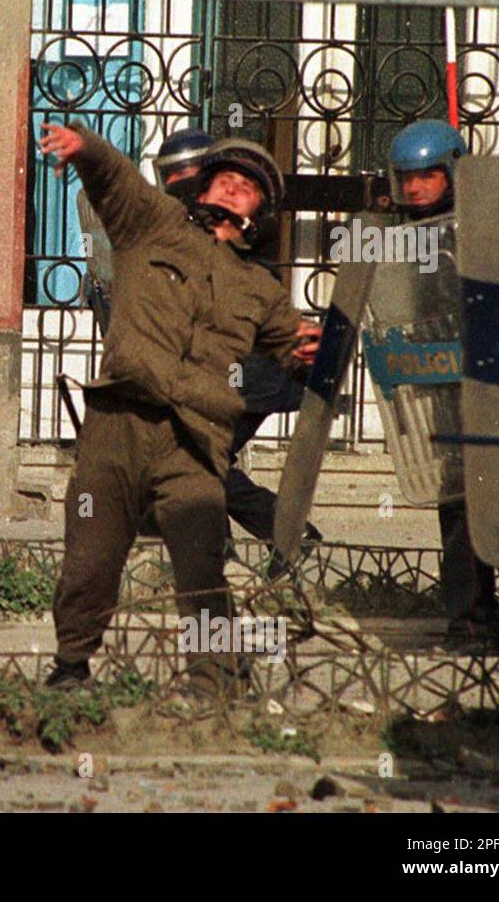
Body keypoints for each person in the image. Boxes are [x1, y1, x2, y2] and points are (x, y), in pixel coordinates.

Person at [37, 122, 321, 692]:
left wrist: (313, 349)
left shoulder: (259, 290)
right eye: (226, 179)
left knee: (201, 567)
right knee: (90, 557)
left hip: (194, 442)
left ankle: (215, 683)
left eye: (248, 185)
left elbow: (296, 350)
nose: (234, 188)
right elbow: (114, 176)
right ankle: (71, 667)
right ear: (203, 187)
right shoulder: (152, 225)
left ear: (260, 208)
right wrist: (85, 145)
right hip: (117, 422)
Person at [387, 119, 499, 650]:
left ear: (453, 173)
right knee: (457, 504)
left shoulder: (492, 225)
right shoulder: (399, 243)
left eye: (427, 177)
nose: (414, 189)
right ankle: (472, 623)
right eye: (407, 178)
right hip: (442, 391)